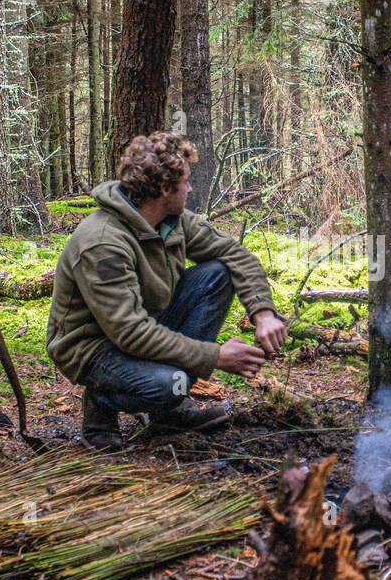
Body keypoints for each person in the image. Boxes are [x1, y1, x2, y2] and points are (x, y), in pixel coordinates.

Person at [46, 132, 287, 450]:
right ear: (164, 189)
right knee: (169, 384)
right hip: (93, 348)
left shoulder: (171, 220)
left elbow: (235, 255)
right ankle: (100, 406)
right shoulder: (103, 243)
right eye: (186, 181)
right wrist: (215, 356)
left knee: (218, 272)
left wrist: (263, 313)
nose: (190, 188)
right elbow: (130, 332)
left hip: (146, 323)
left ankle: (168, 414)